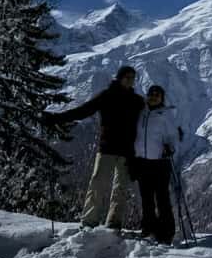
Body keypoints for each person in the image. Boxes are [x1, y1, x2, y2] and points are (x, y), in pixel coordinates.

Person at [44, 65, 144, 230]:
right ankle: (89, 222)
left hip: (127, 152)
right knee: (98, 183)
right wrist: (58, 118)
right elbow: (84, 110)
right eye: (127, 77)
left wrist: (172, 132)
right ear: (119, 78)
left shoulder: (137, 101)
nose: (130, 80)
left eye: (132, 78)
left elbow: (151, 119)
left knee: (121, 189)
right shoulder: (107, 96)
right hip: (107, 148)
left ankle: (114, 223)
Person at [132, 84, 178, 244]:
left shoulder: (165, 115)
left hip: (160, 163)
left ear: (162, 98)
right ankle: (149, 229)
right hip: (142, 162)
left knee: (162, 199)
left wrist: (170, 148)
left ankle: (166, 233)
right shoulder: (142, 113)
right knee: (146, 199)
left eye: (157, 95)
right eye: (151, 94)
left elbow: (173, 136)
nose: (153, 97)